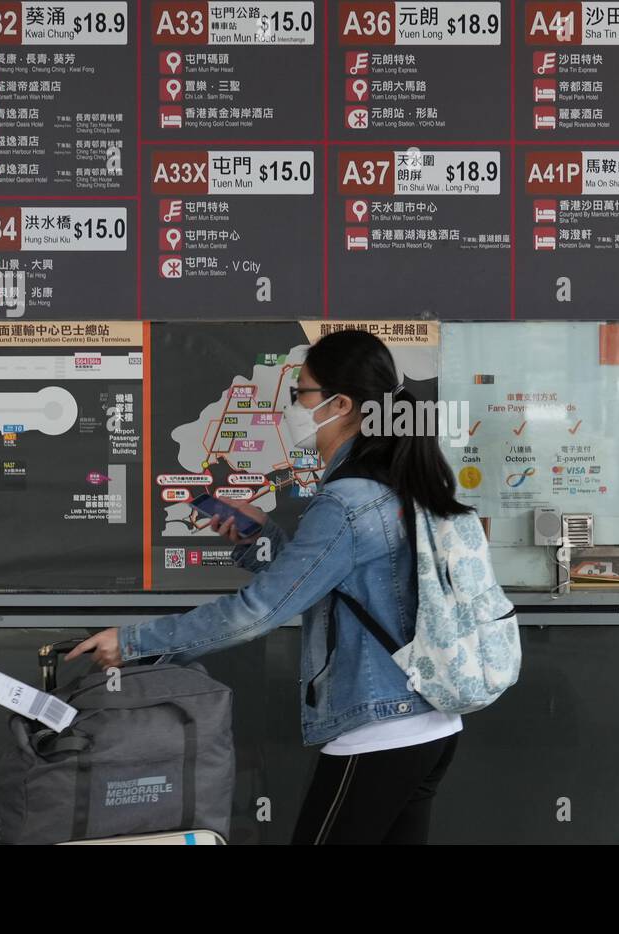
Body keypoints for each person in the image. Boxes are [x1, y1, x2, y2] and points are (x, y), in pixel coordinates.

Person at [68, 328, 473, 844]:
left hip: (381, 728)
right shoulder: (395, 481)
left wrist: (131, 642)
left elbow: (257, 612)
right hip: (430, 723)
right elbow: (338, 585)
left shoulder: (348, 501)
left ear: (339, 404)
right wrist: (262, 536)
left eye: (300, 392)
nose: (293, 406)